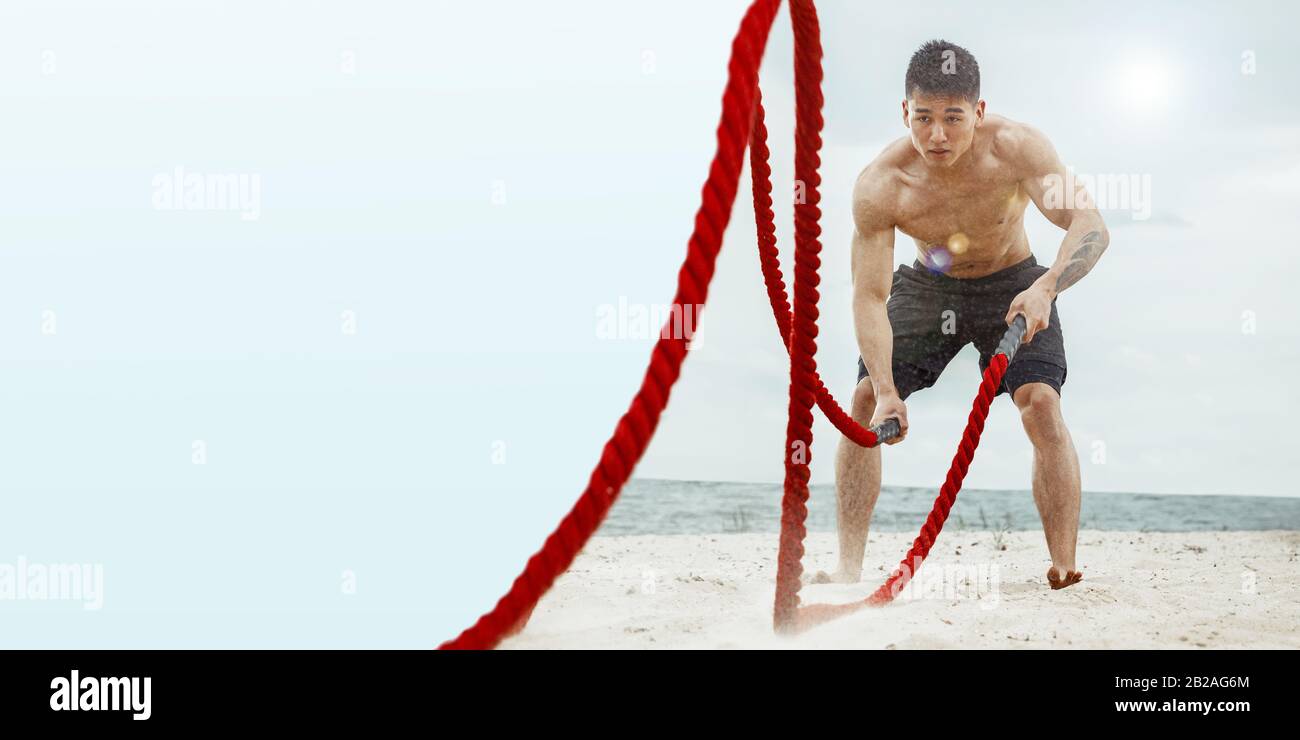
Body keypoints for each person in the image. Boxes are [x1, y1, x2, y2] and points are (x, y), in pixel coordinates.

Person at [814, 40, 1109, 591]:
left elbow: (1089, 222)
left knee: (1041, 404)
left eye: (953, 117)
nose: (937, 135)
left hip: (1016, 280)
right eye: (923, 118)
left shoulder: (1019, 148)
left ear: (978, 111)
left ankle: (1065, 566)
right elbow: (868, 296)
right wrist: (883, 390)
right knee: (860, 405)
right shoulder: (882, 185)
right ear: (905, 113)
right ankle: (848, 565)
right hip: (930, 288)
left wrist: (1046, 288)